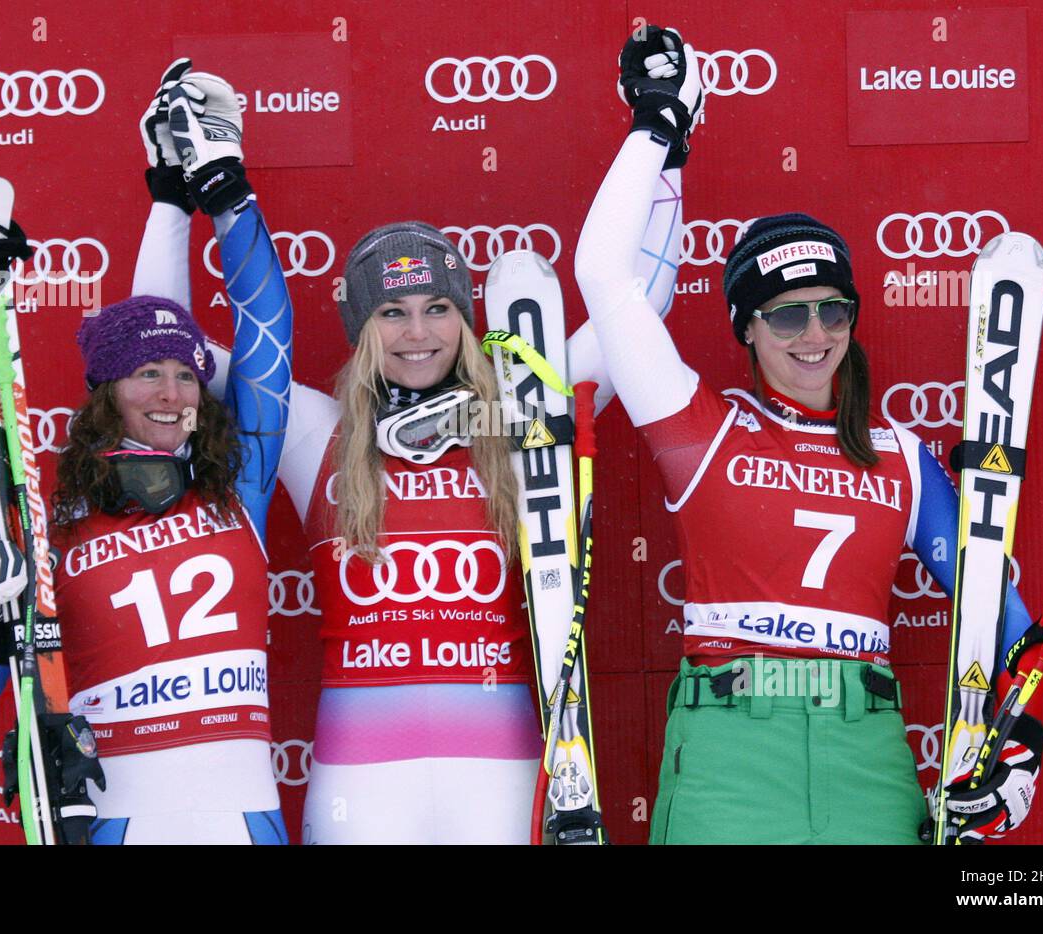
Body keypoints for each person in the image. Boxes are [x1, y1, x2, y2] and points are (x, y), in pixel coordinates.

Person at [131, 73, 688, 845]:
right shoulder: (315, 431)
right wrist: (170, 195)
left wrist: (665, 134)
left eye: (438, 309)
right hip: (360, 784)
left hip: (501, 772)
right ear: (363, 329)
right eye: (391, 312)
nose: (417, 332)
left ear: (466, 318)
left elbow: (641, 301)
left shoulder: (524, 411)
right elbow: (161, 340)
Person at [576, 26, 1043, 844]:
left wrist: (1023, 745)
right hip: (729, 758)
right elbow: (605, 277)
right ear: (746, 327)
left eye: (834, 310)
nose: (815, 334)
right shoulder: (701, 428)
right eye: (787, 315)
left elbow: (997, 617)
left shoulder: (901, 456)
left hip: (865, 758)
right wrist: (660, 129)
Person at [0, 61, 294, 844]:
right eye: (147, 374)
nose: (171, 393)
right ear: (107, 393)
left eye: (186, 374)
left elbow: (269, 333)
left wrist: (220, 190)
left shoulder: (238, 483)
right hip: (118, 817)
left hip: (243, 815)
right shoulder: (54, 521)